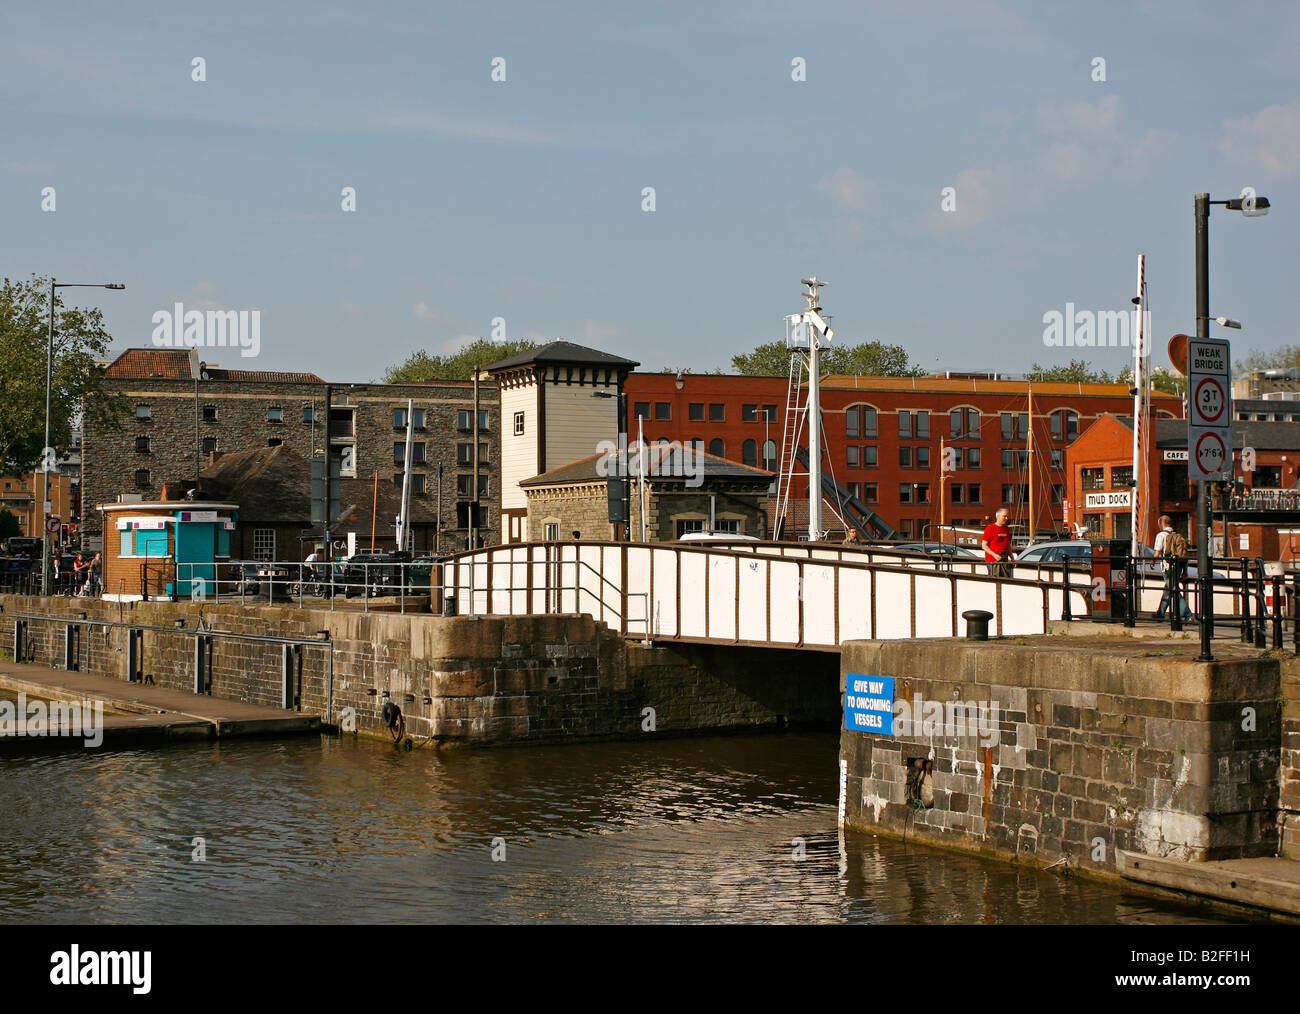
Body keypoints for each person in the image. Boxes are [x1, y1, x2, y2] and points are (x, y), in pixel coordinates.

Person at [1153, 515, 1193, 621]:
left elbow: (1157, 553)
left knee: (1174, 590)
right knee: (1168, 590)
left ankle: (1188, 614)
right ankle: (1160, 613)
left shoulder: (1161, 535)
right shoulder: (1179, 536)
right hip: (1178, 567)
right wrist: (1185, 572)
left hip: (1167, 567)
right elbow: (1184, 555)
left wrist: (1152, 562)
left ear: (1162, 523)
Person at [981, 508, 1016, 577]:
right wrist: (994, 555)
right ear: (998, 516)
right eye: (1004, 516)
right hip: (993, 561)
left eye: (1007, 516)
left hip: (1004, 560)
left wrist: (1012, 557)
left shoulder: (1007, 529)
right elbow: (984, 545)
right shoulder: (990, 528)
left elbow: (1008, 544)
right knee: (995, 580)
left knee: (1006, 580)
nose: (1006, 518)